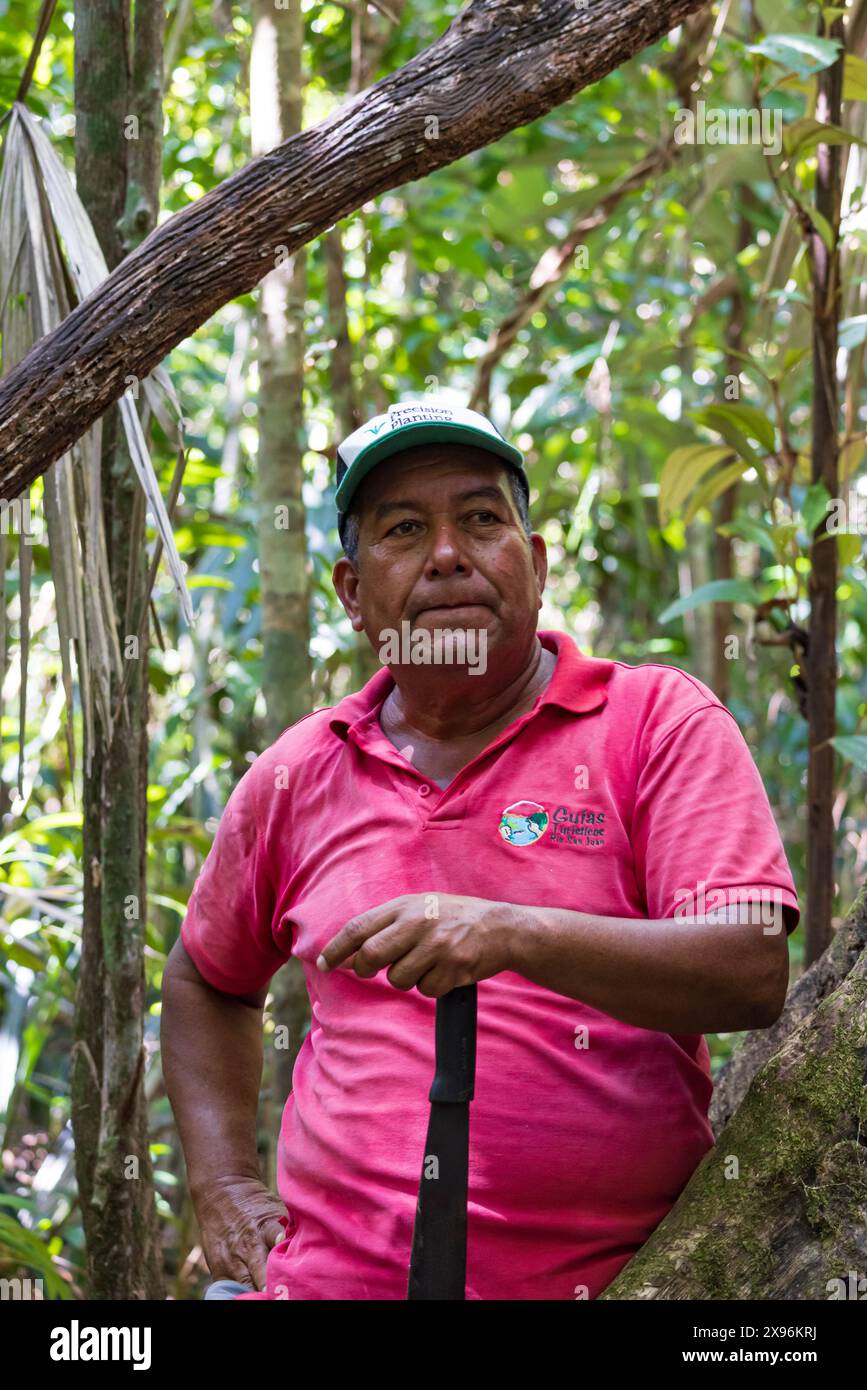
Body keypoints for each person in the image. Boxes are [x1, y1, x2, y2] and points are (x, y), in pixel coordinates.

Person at [162, 395, 799, 1301]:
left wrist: (511, 934)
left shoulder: (655, 724)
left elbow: (747, 968)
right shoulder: (298, 774)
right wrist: (224, 1186)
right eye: (405, 529)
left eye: (481, 519)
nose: (449, 553)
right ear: (351, 593)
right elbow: (205, 978)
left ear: (533, 565)